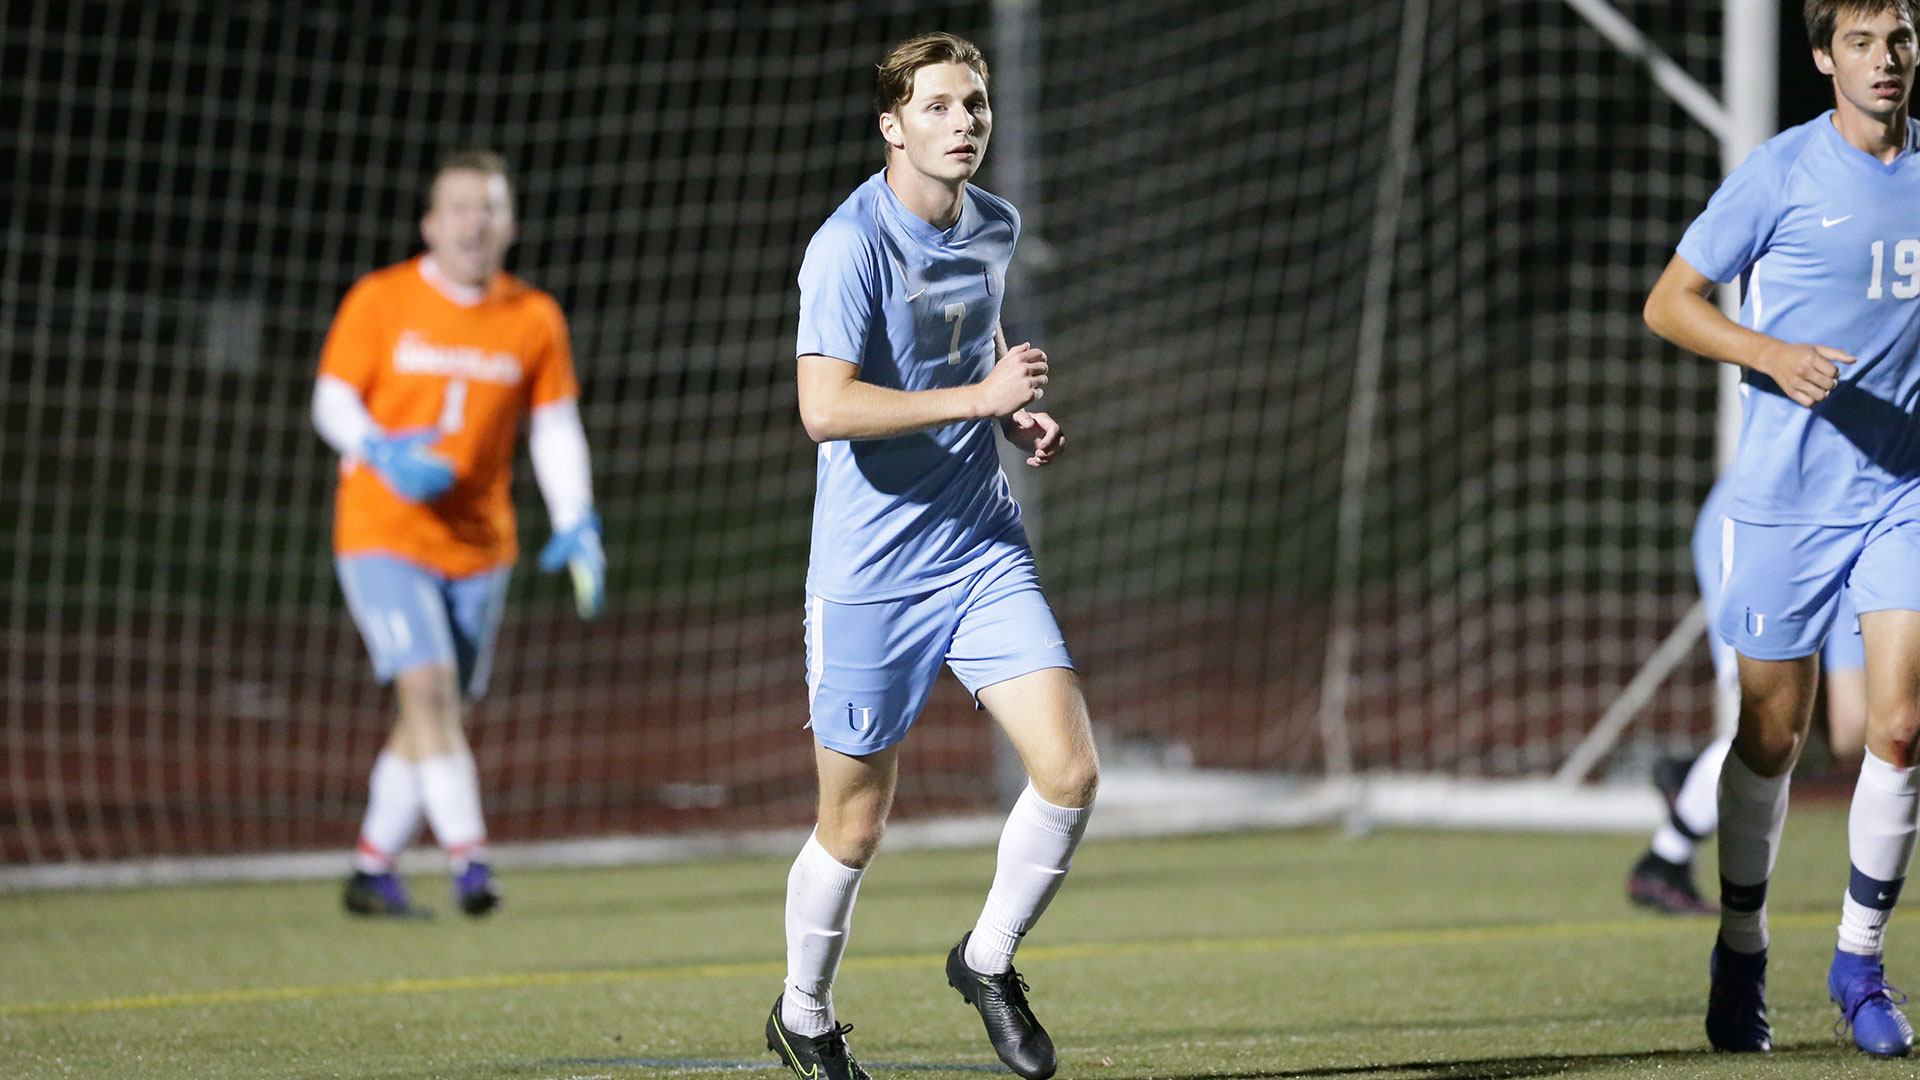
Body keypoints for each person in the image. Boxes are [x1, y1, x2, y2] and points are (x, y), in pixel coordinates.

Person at [762, 32, 1098, 1080]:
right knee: (853, 828)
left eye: (976, 108)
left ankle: (986, 960)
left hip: (978, 544)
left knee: (1072, 770)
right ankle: (804, 1014)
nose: (964, 126)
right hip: (869, 574)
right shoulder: (846, 246)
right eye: (942, 107)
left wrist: (1009, 415)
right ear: (892, 124)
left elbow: (971, 326)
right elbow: (825, 408)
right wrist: (979, 399)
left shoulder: (993, 222)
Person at [1642, 0, 1920, 1056]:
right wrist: (1767, 353)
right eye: (1860, 41)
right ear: (1822, 58)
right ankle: (1743, 947)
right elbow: (1671, 303)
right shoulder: (1781, 172)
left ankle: (1859, 962)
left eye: (1899, 37)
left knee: (1896, 727)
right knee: (1772, 741)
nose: (1885, 59)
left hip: (1903, 491)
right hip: (1785, 502)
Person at [311, 148, 605, 918]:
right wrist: (375, 448)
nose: (474, 221)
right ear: (430, 224)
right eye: (460, 207)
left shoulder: (533, 317)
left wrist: (576, 519)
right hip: (383, 530)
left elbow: (553, 427)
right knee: (429, 689)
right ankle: (471, 861)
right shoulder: (380, 300)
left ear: (509, 225)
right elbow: (331, 399)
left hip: (480, 547)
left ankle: (371, 871)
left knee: (434, 714)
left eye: (490, 207)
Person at [1628, 477, 1868, 915]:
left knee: (1852, 728)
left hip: (1860, 525)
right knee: (1776, 723)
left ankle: (1699, 778)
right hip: (1768, 525)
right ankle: (1665, 857)